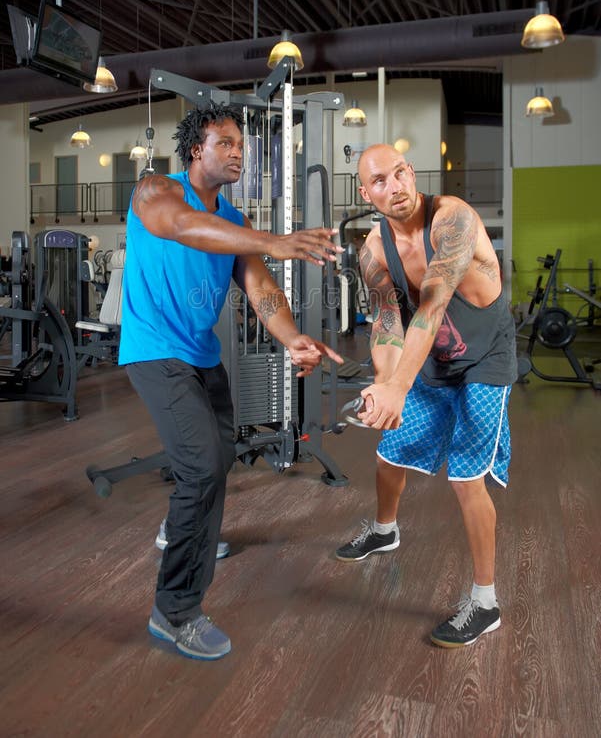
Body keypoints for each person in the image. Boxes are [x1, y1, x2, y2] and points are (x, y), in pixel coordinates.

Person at [119, 101, 343, 661]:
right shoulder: (154, 191)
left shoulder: (237, 224)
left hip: (201, 355)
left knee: (218, 463)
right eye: (227, 144)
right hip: (153, 350)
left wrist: (291, 337)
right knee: (199, 466)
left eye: (242, 145)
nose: (239, 153)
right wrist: (274, 239)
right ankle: (175, 612)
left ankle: (180, 532)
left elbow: (262, 290)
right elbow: (182, 227)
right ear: (197, 150)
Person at [335, 144, 516, 648]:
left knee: (465, 476)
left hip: (485, 360)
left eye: (399, 174)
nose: (394, 187)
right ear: (364, 192)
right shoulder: (372, 251)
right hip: (432, 360)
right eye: (379, 181)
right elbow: (388, 324)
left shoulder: (451, 219)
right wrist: (383, 385)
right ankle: (384, 528)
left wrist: (397, 385)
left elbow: (432, 306)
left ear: (411, 172)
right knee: (391, 447)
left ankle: (485, 603)